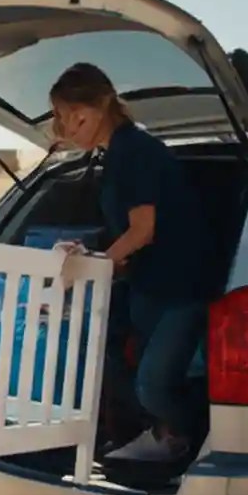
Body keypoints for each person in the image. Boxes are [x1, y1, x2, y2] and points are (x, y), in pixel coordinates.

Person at [49, 62, 217, 463]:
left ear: (95, 104)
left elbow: (144, 229)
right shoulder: (118, 153)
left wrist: (99, 263)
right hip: (152, 286)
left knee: (153, 387)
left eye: (64, 113)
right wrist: (100, 257)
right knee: (126, 369)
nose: (62, 126)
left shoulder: (134, 150)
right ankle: (165, 437)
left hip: (181, 288)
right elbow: (132, 236)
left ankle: (199, 438)